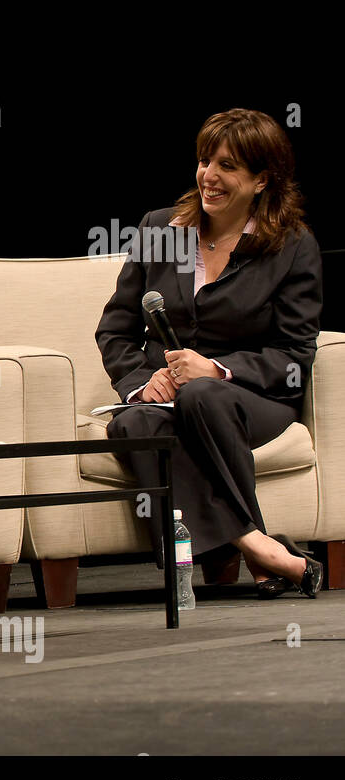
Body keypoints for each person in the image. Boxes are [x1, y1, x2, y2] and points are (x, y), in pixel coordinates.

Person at [96, 108, 324, 599]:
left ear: (261, 180)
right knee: (135, 425)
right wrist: (142, 382)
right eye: (204, 161)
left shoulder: (291, 245)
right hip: (167, 395)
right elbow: (115, 330)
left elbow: (294, 353)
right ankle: (258, 546)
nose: (209, 176)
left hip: (252, 398)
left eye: (227, 167)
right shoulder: (161, 230)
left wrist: (219, 369)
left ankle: (230, 549)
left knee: (203, 394)